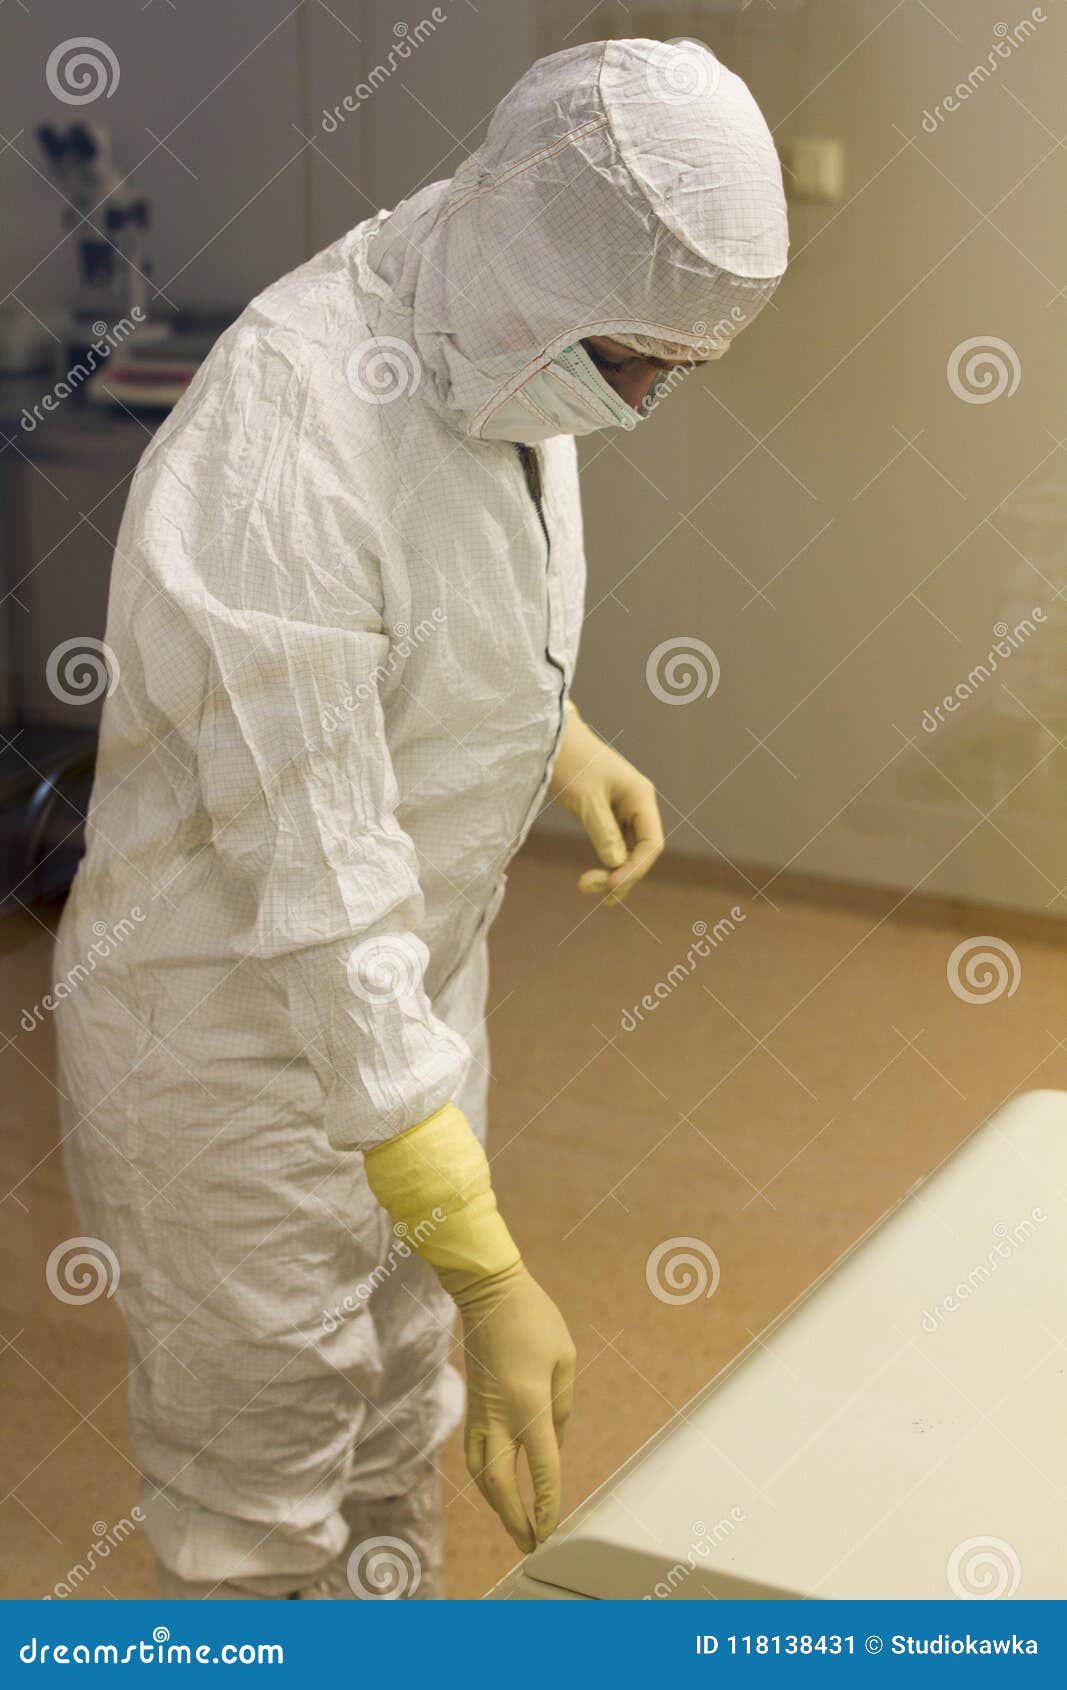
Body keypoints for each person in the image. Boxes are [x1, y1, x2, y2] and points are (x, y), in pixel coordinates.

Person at [53, 37, 787, 1599]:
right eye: (636, 361)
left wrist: (559, 728)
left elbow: (439, 586)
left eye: (681, 367)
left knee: (398, 1430)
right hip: (236, 1056)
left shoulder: (492, 332)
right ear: (543, 278)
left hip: (412, 1014)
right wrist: (494, 1266)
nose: (647, 401)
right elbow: (320, 899)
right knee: (257, 1504)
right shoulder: (291, 445)